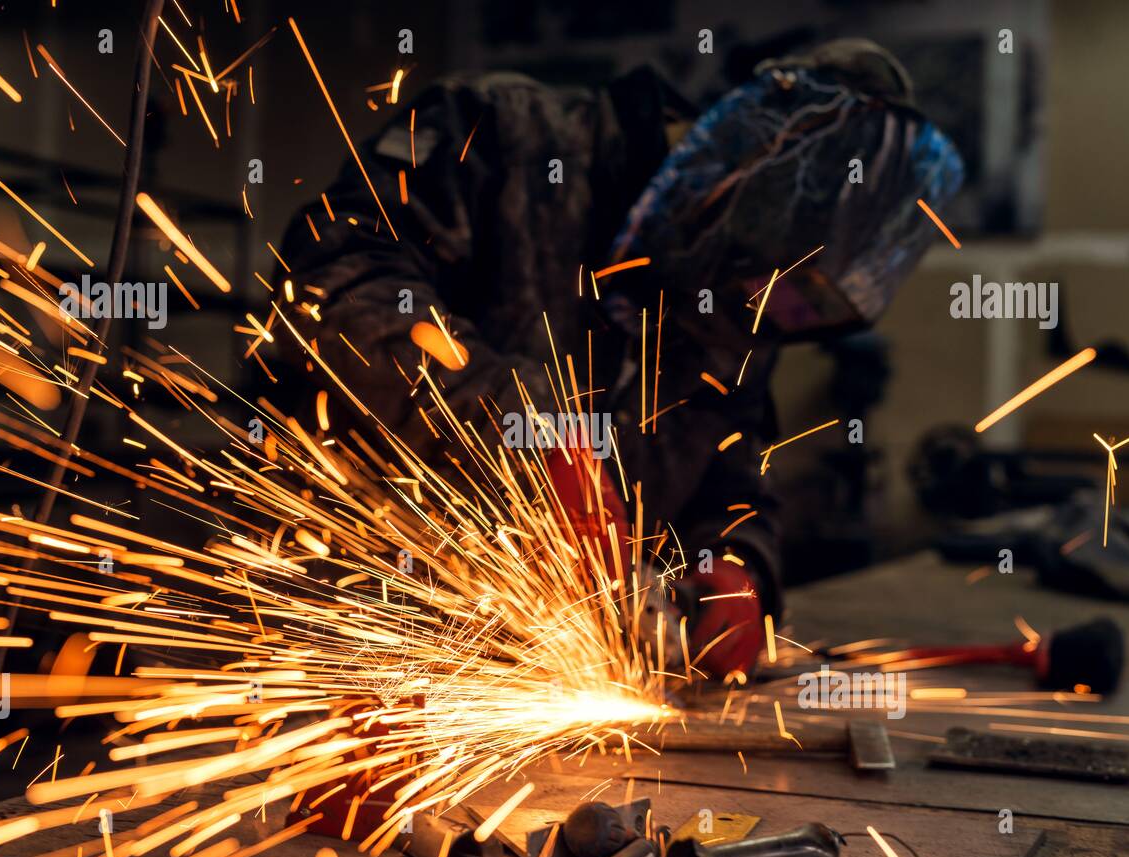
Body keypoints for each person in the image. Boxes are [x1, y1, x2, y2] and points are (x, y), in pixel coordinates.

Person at [274, 39, 963, 680]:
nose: (740, 315)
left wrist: (736, 566)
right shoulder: (498, 133)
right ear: (736, 178)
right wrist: (527, 437)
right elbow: (336, 276)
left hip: (542, 690)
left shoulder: (744, 300)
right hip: (358, 634)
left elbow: (732, 465)